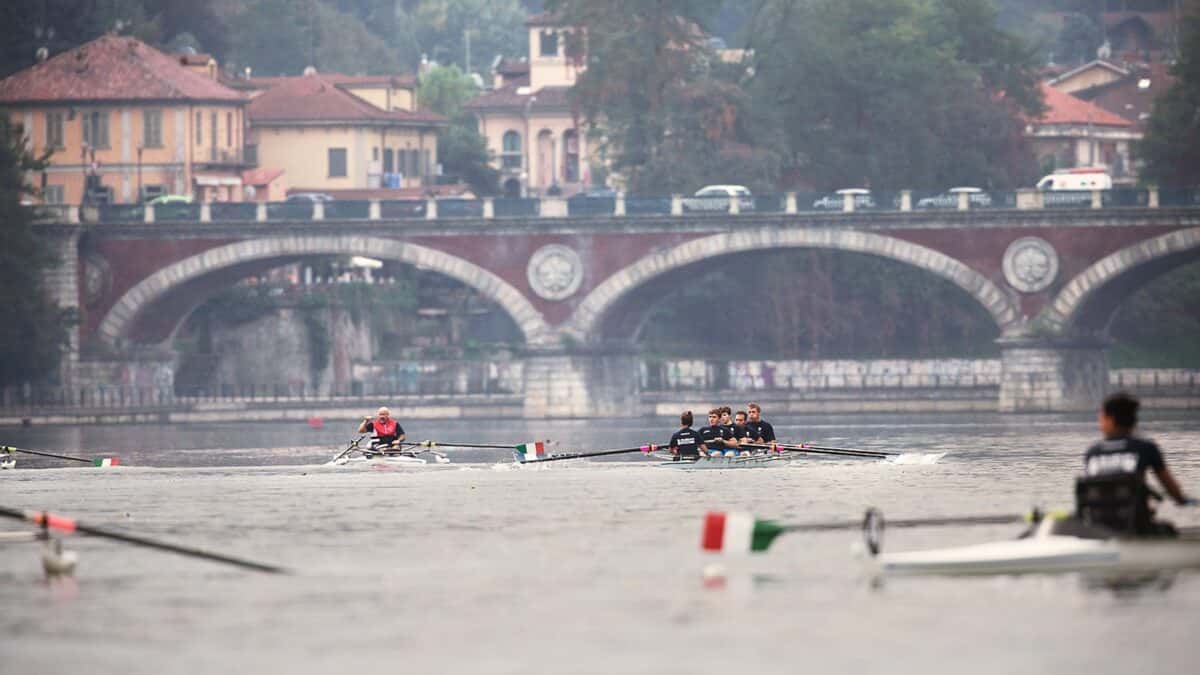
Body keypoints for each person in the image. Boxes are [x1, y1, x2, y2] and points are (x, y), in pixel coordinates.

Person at [1076, 392, 1194, 536]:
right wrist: (1184, 501)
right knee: (1169, 530)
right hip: (1137, 529)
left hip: (1098, 529)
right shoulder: (1145, 448)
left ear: (1110, 420)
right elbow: (1174, 492)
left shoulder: (1092, 453)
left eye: (1101, 418)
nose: (1100, 423)